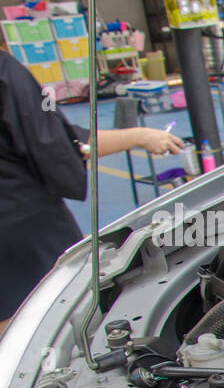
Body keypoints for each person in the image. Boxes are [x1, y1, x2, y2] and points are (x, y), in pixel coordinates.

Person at [1, 48, 182, 331]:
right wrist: (138, 137)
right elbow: (55, 145)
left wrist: (137, 136)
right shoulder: (4, 70)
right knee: (47, 320)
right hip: (22, 232)